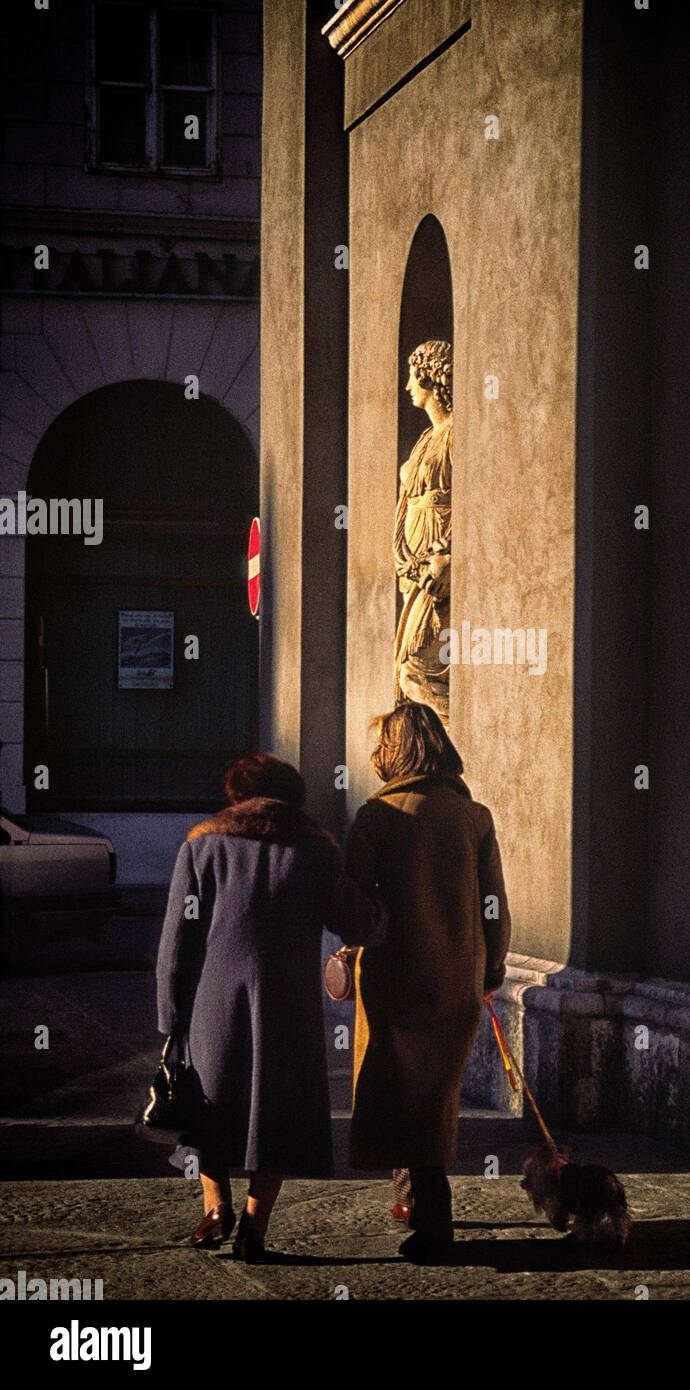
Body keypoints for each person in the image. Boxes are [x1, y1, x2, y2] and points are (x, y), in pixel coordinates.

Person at [156, 753, 384, 1261]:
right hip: (288, 1005)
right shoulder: (317, 849)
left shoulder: (202, 845)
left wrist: (170, 1018)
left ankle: (216, 1208)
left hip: (212, 1000)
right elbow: (356, 923)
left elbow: (176, 941)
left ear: (236, 793)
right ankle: (254, 1231)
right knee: (278, 1113)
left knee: (206, 1103)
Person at [344, 701, 511, 1262]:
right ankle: (415, 1203)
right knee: (435, 1097)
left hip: (393, 979)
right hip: (455, 981)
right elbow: (494, 907)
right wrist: (491, 972)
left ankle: (431, 1218)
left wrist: (364, 933)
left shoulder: (376, 817)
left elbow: (350, 905)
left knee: (393, 1089)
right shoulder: (474, 816)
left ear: (396, 753)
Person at [393, 340, 453, 726]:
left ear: (430, 375)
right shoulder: (424, 440)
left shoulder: (454, 435)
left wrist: (449, 556)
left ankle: (455, 744)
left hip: (438, 570)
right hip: (414, 570)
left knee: (415, 669)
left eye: (413, 376)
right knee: (406, 671)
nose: (408, 386)